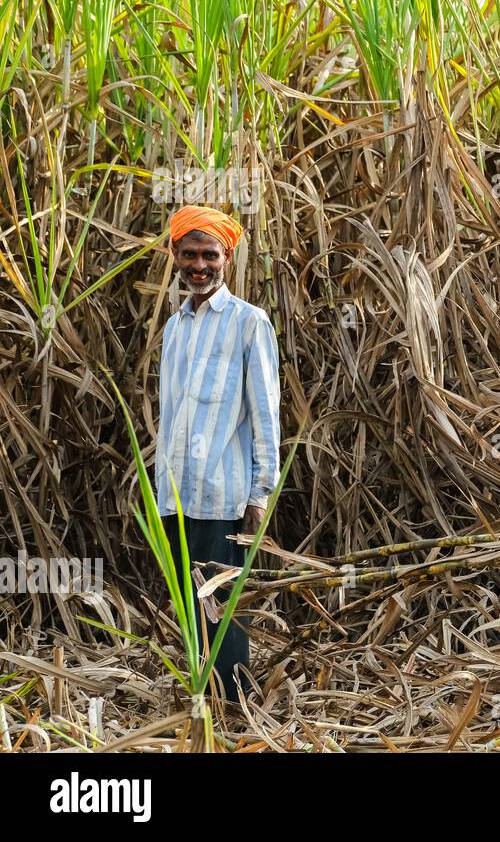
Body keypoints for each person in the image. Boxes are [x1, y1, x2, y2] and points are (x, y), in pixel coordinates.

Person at [154, 204, 281, 700]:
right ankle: (199, 699)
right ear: (175, 254)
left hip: (223, 497)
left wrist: (260, 497)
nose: (199, 265)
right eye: (189, 254)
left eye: (210, 254)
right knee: (189, 605)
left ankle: (232, 709)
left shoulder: (250, 323)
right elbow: (172, 418)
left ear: (227, 257)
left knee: (223, 608)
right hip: (175, 496)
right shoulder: (175, 328)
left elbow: (266, 415)